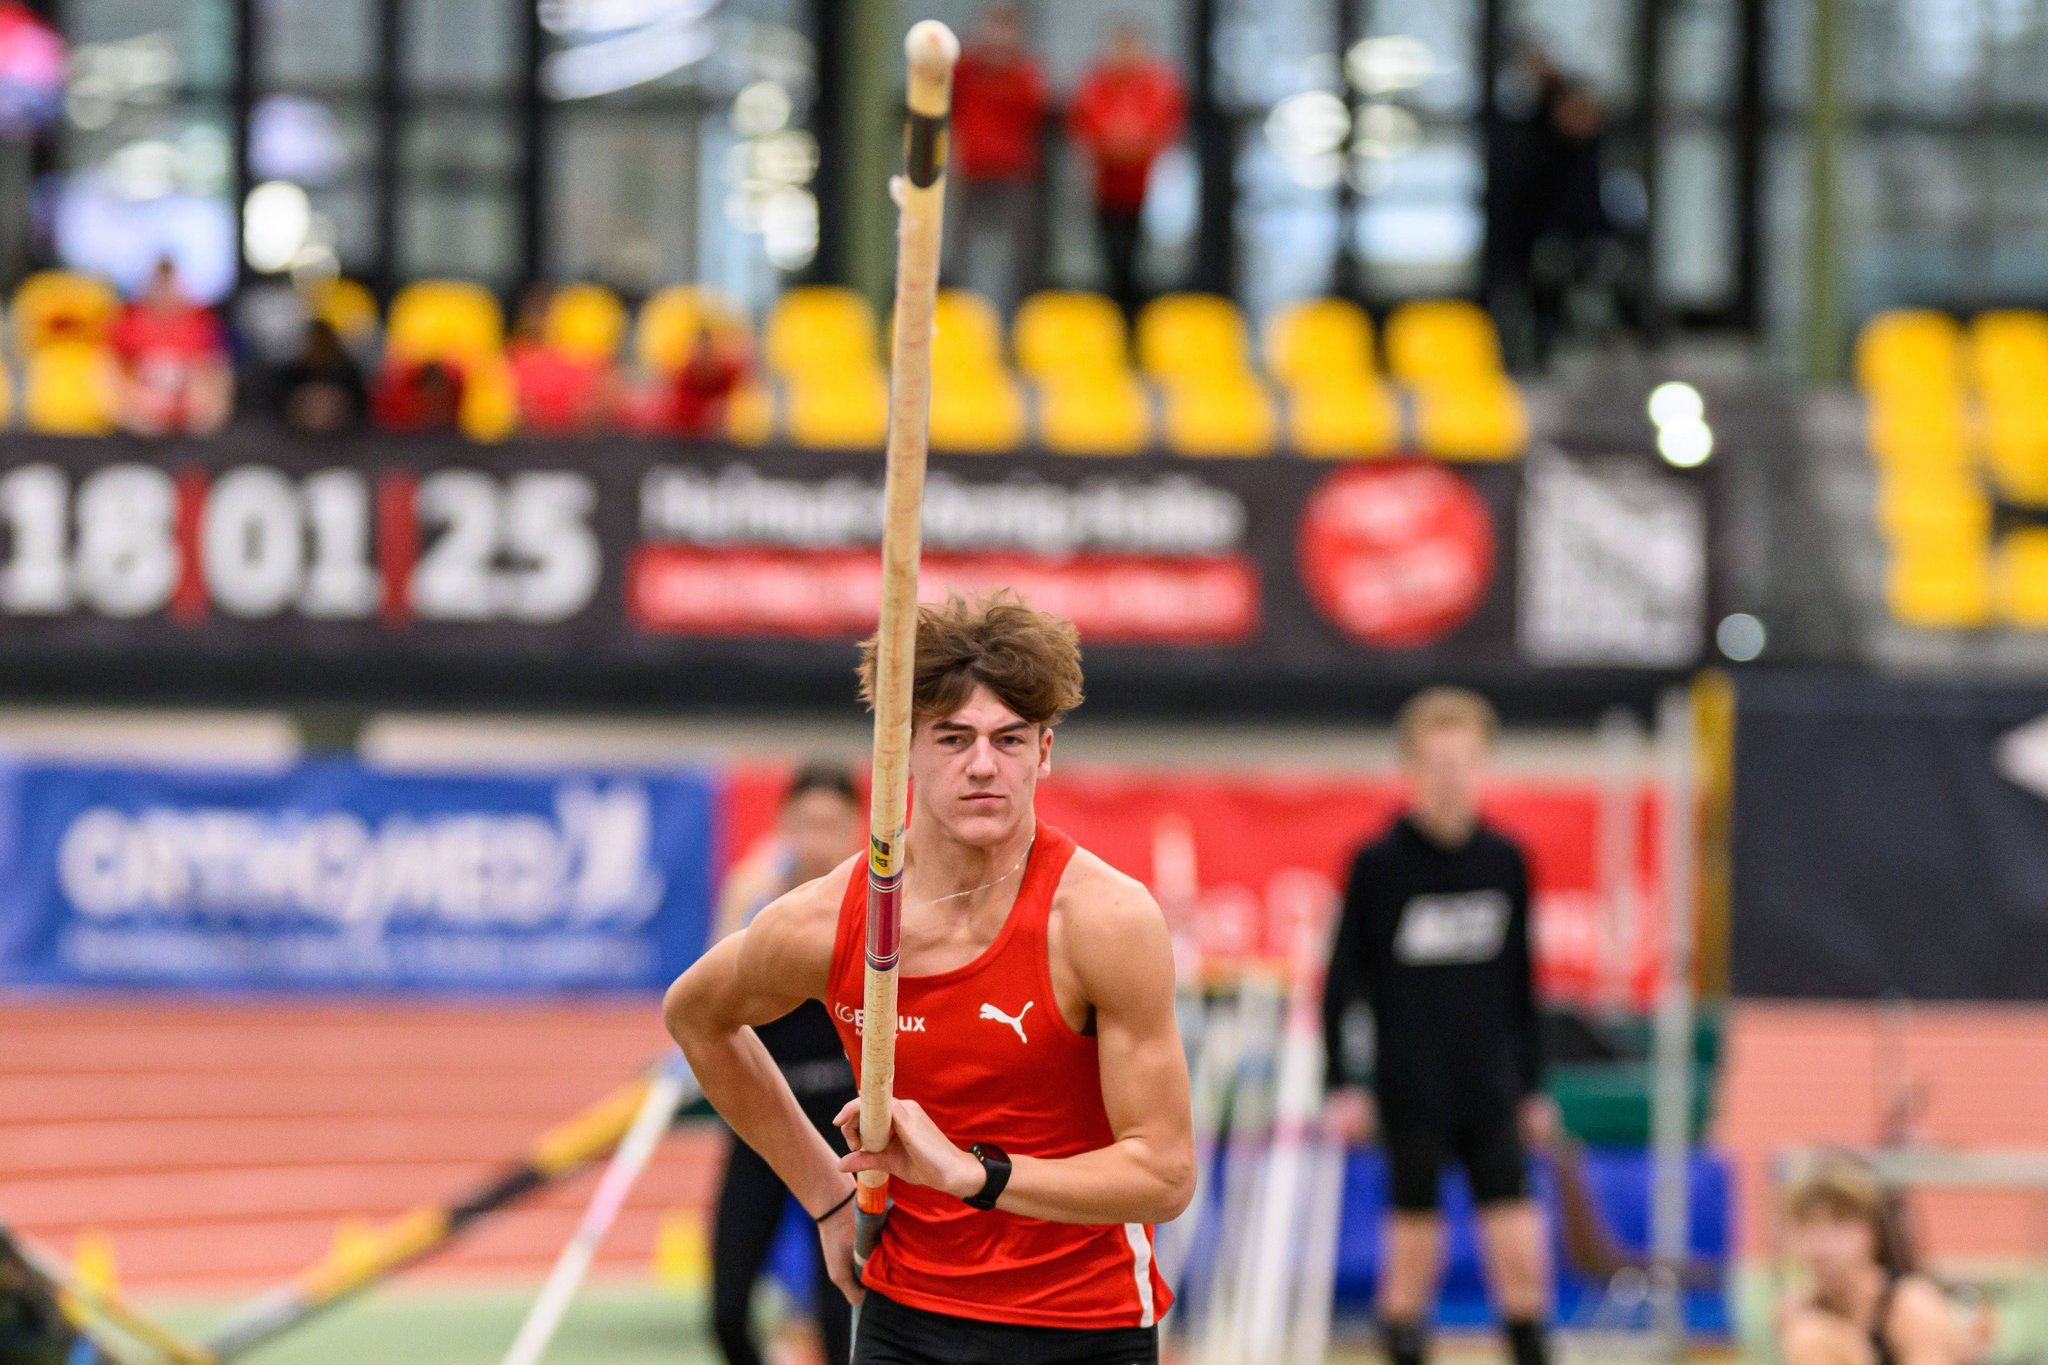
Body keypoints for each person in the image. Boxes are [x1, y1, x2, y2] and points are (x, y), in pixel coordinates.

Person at [666, 592, 1193, 1365]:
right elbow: (696, 1017)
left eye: (1009, 739)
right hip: (905, 1319)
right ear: (899, 749)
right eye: (953, 737)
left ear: (1044, 751)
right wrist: (827, 1194)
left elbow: (1165, 1171)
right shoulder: (823, 921)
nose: (983, 765)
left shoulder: (1102, 919)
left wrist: (974, 1175)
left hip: (1087, 1322)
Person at [1320, 686, 1555, 1365]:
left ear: (1484, 763)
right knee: (1412, 1254)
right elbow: (1341, 983)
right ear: (1412, 768)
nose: (1450, 775)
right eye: (1435, 761)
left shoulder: (1506, 860)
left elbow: (1522, 983)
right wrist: (1342, 1080)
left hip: (1491, 1087)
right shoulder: (1379, 864)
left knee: (1520, 1257)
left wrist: (1533, 1085)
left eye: (1463, 760)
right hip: (1411, 1088)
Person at [708, 762, 864, 1365]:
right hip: (764, 1123)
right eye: (807, 824)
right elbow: (709, 1003)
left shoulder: (874, 910)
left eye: (832, 824)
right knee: (726, 1313)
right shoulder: (758, 906)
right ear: (783, 827)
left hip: (844, 1131)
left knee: (836, 1320)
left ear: (856, 828)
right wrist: (741, 903)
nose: (819, 839)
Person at [1779, 1153, 1988, 1365]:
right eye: (1808, 1226)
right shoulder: (1801, 1309)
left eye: (1839, 1225)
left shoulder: (1911, 1306)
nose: (1821, 1246)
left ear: (1871, 1233)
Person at [1067, 24, 1185, 320]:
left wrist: (1133, 142)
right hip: (1106, 189)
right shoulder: (1096, 82)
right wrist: (1116, 142)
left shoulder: (1157, 83)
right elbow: (1085, 127)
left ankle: (1144, 325)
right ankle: (1113, 324)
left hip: (1150, 192)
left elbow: (1164, 127)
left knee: (1148, 264)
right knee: (1110, 260)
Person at [947, 5, 1049, 315]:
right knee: (960, 252)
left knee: (1021, 257)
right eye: (992, 27)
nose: (998, 36)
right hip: (971, 173)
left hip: (1014, 175)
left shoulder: (1026, 72)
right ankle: (961, 322)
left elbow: (1036, 106)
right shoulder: (966, 70)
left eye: (1006, 29)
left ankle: (1018, 325)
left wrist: (1006, 66)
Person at [109, 256, 233, 435]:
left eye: (169, 285)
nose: (164, 292)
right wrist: (133, 411)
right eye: (159, 285)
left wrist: (208, 414)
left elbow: (217, 372)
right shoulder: (129, 322)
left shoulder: (200, 322)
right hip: (142, 419)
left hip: (189, 416)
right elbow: (111, 373)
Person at [276, 318, 367, 434]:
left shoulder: (346, 372)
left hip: (343, 438)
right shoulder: (293, 373)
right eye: (314, 340)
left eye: (323, 340)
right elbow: (281, 406)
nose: (318, 344)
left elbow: (358, 406)